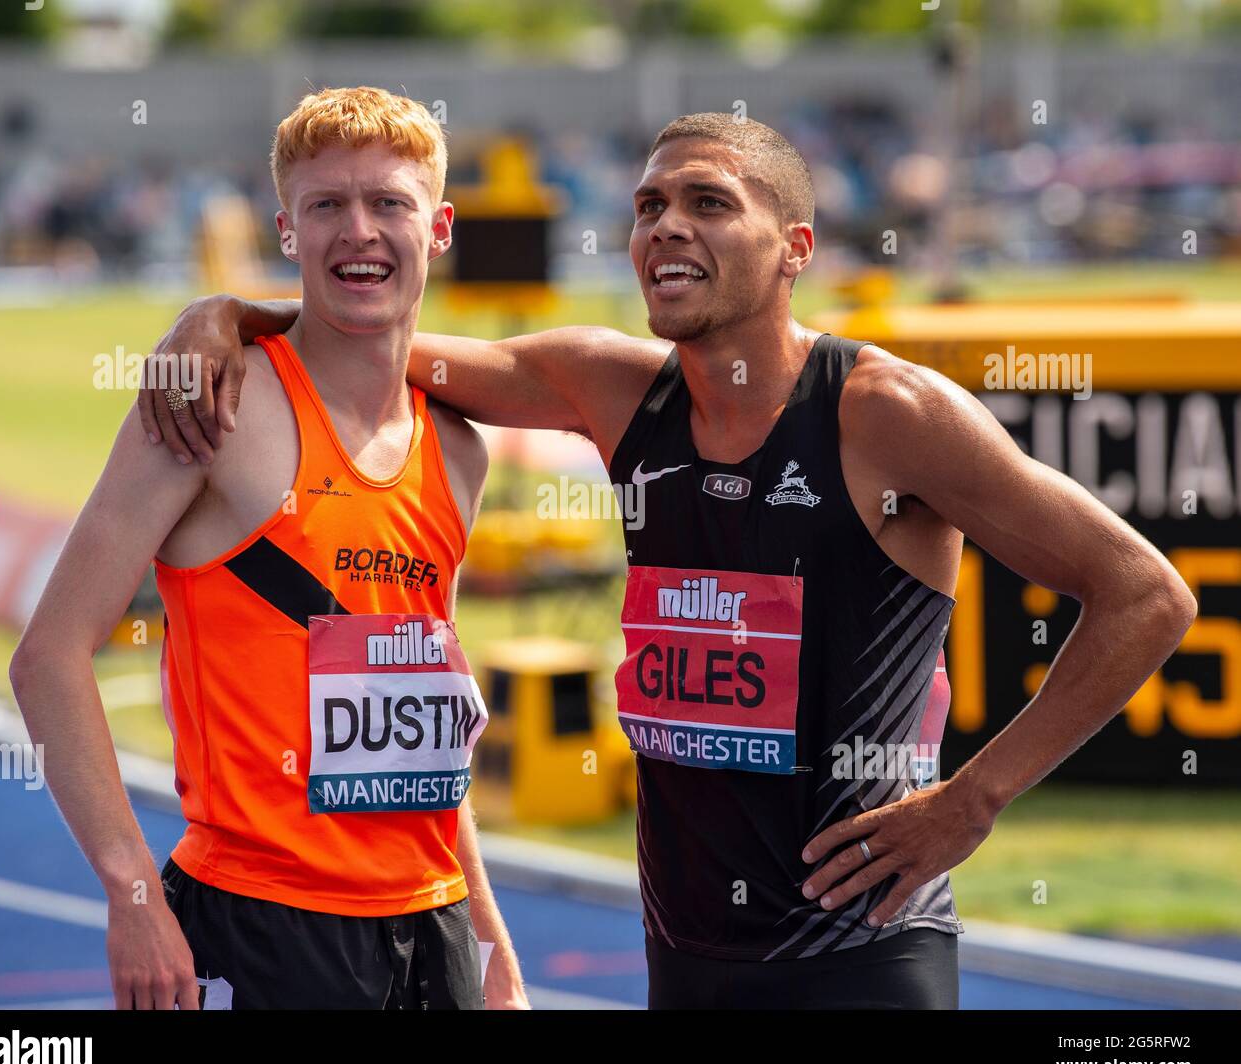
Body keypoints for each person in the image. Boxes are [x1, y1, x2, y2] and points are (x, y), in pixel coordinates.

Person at [141, 112, 1197, 1009]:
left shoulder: (884, 414)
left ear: (793, 246)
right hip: (683, 951)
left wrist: (975, 796)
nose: (666, 227)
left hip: (861, 950)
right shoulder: (612, 389)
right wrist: (225, 314)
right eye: (648, 207)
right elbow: (358, 333)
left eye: (707, 203)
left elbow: (1145, 594)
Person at [11, 86, 528, 1010]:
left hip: (435, 927)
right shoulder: (215, 402)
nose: (357, 231)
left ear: (439, 226)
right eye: (326, 205)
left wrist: (488, 941)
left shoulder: (457, 449)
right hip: (260, 923)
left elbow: (426, 718)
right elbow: (47, 658)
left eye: (389, 204)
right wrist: (132, 894)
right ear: (287, 230)